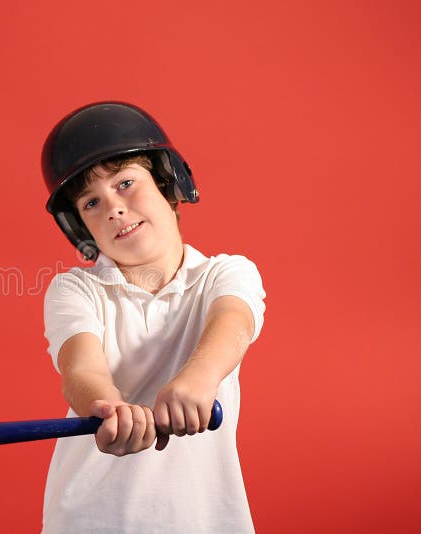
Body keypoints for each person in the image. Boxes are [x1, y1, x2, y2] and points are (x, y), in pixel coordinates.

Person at [39, 102, 266, 533]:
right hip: (91, 520)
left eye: (125, 183)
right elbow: (81, 369)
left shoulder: (225, 272)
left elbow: (233, 323)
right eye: (91, 202)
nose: (113, 208)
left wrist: (197, 378)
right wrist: (106, 407)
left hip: (205, 518)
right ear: (80, 228)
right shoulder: (75, 289)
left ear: (167, 183)